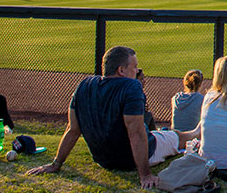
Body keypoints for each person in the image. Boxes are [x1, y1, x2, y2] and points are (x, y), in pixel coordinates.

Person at [27, 46, 197, 189]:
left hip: (103, 159)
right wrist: (145, 175)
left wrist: (56, 164)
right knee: (181, 136)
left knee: (161, 133)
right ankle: (199, 132)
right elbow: (136, 134)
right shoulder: (131, 86)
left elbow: (72, 130)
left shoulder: (84, 85)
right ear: (121, 70)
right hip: (133, 158)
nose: (137, 71)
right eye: (134, 67)